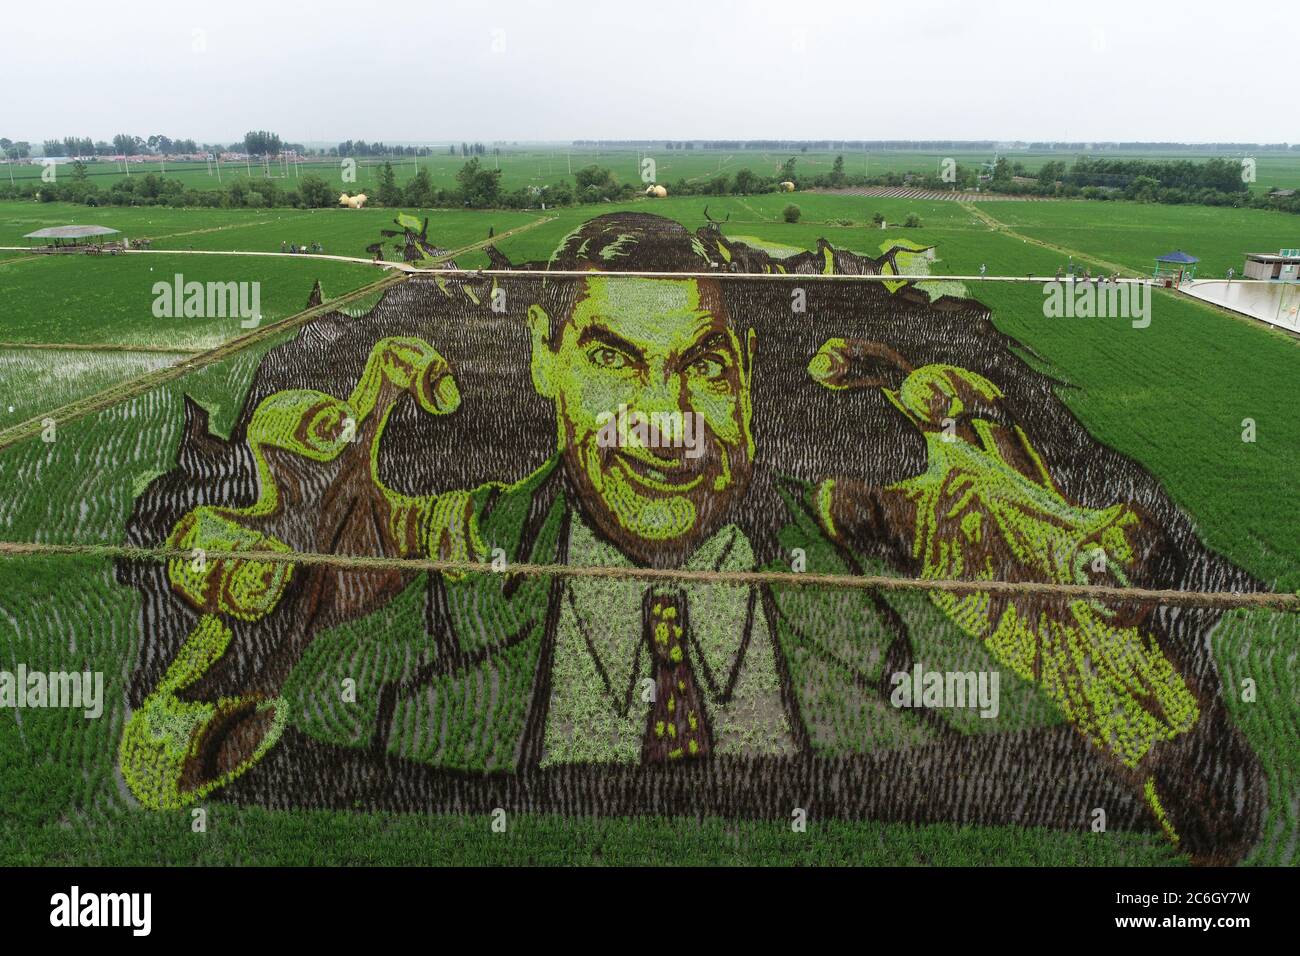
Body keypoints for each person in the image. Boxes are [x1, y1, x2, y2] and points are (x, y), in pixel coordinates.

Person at [120, 213, 1263, 864]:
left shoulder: (914, 578)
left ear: (749, 384)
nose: (665, 416)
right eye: (616, 358)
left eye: (702, 366)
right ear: (544, 361)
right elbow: (162, 770)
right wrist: (264, 634)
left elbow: (1221, 824)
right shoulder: (424, 572)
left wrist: (1126, 681)